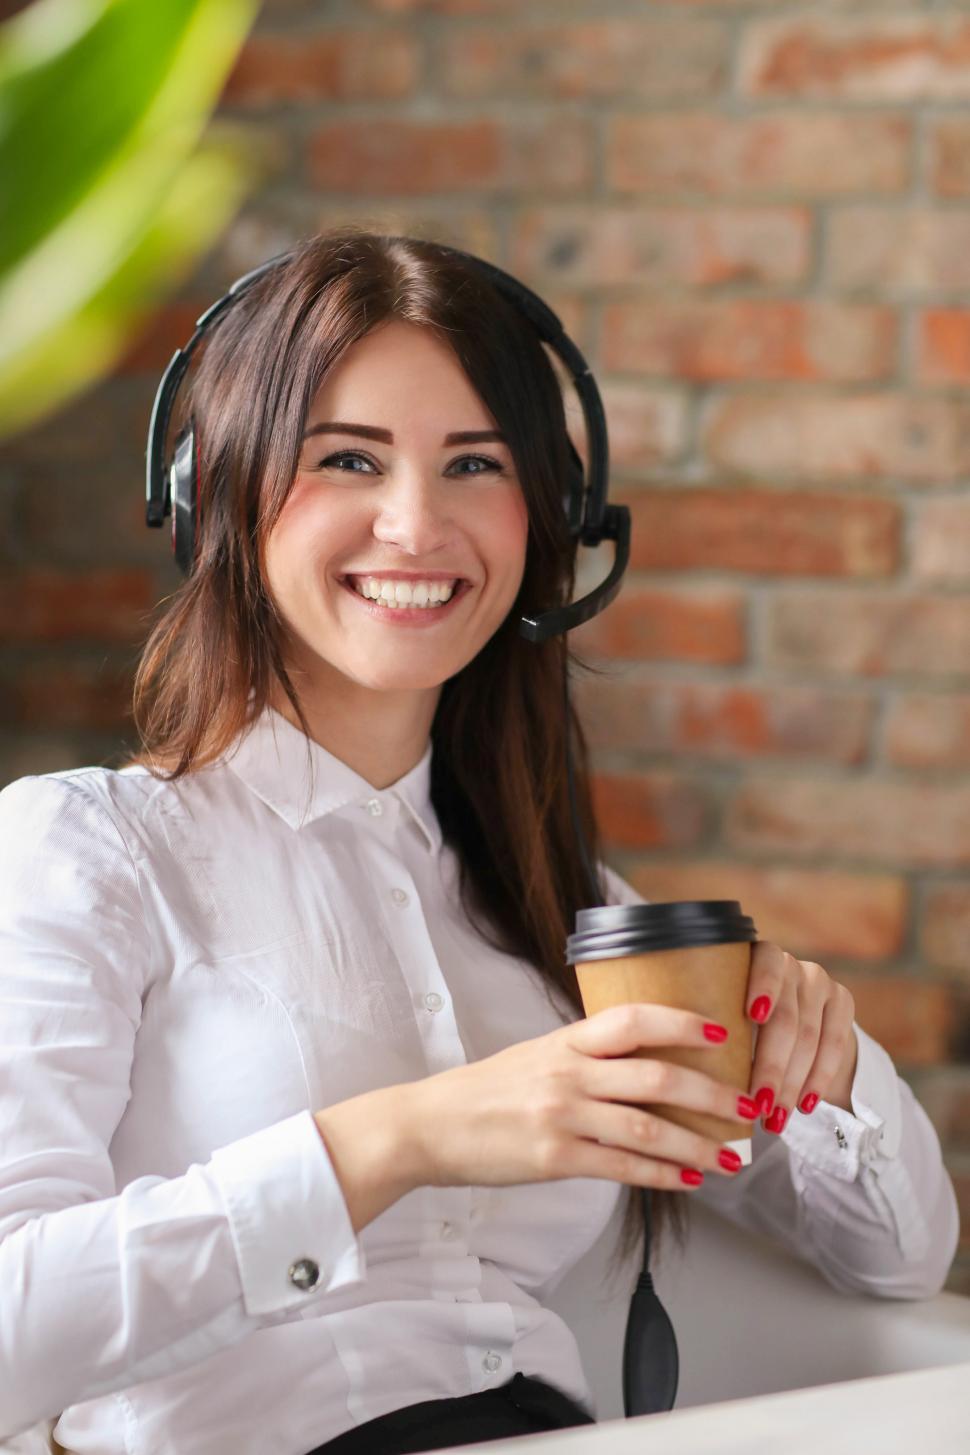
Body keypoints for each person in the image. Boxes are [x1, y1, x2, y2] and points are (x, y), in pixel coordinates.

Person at [0, 230, 959, 1455]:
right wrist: (399, 1139)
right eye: (347, 458)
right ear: (216, 496)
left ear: (549, 519)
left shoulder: (564, 907)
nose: (415, 524)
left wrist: (822, 1067)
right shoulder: (89, 850)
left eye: (473, 465)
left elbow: (901, 1260)